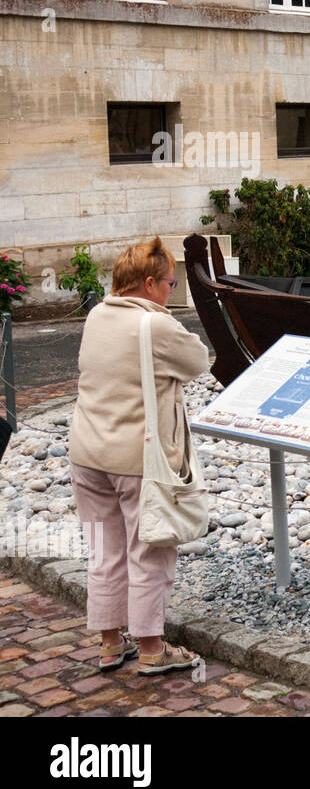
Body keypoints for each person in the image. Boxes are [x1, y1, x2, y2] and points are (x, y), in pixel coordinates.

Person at [69, 237, 209, 674]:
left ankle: (111, 643)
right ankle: (152, 648)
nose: (172, 291)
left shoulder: (96, 315)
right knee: (149, 551)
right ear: (149, 283)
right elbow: (199, 360)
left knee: (104, 550)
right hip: (136, 460)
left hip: (87, 453)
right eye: (170, 283)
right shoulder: (156, 326)